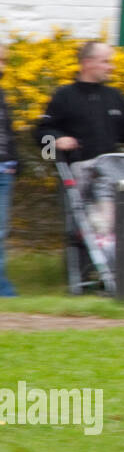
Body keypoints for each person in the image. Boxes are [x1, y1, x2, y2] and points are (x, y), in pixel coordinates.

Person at [34, 40, 124, 289]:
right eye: (105, 61)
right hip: (78, 175)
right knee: (83, 226)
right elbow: (40, 134)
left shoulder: (114, 97)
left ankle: (119, 276)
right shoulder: (64, 96)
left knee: (117, 224)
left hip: (113, 176)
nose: (110, 67)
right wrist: (57, 142)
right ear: (88, 63)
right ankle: (83, 278)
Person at [0, 43, 19, 296]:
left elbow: (7, 133)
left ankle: (3, 289)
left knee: (1, 233)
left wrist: (14, 162)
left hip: (4, 170)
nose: (3, 67)